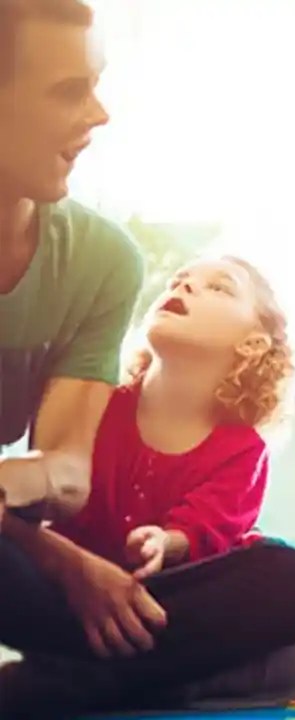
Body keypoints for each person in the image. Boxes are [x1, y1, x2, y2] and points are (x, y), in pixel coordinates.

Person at [0, 257, 295, 718]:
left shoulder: (243, 448)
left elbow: (210, 526)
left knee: (294, 579)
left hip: (160, 609)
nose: (185, 284)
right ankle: (134, 682)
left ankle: (70, 684)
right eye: (180, 279)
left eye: (219, 288)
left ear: (254, 343)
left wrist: (167, 542)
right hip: (66, 604)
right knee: (293, 667)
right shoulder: (98, 400)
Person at [0, 0, 140, 523]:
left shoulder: (101, 261)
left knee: (281, 577)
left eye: (95, 84)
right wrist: (68, 566)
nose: (99, 114)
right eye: (68, 91)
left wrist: (28, 480)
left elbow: (67, 475)